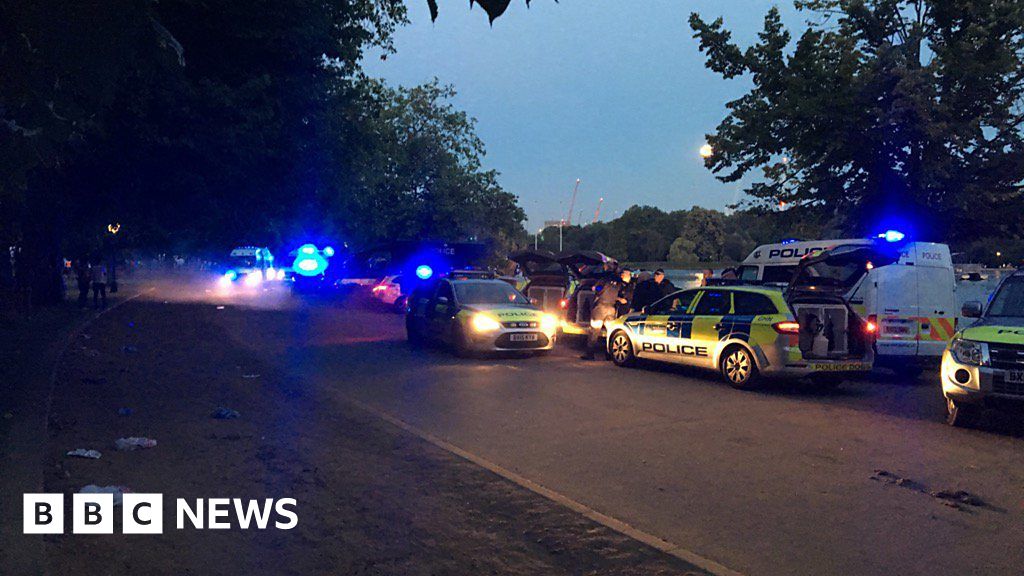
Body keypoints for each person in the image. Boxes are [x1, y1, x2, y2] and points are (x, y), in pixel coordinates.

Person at [580, 273, 622, 360]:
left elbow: (597, 289)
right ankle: (609, 354)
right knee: (610, 331)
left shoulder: (603, 281)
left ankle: (590, 354)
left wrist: (595, 288)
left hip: (600, 308)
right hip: (611, 308)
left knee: (594, 331)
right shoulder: (618, 283)